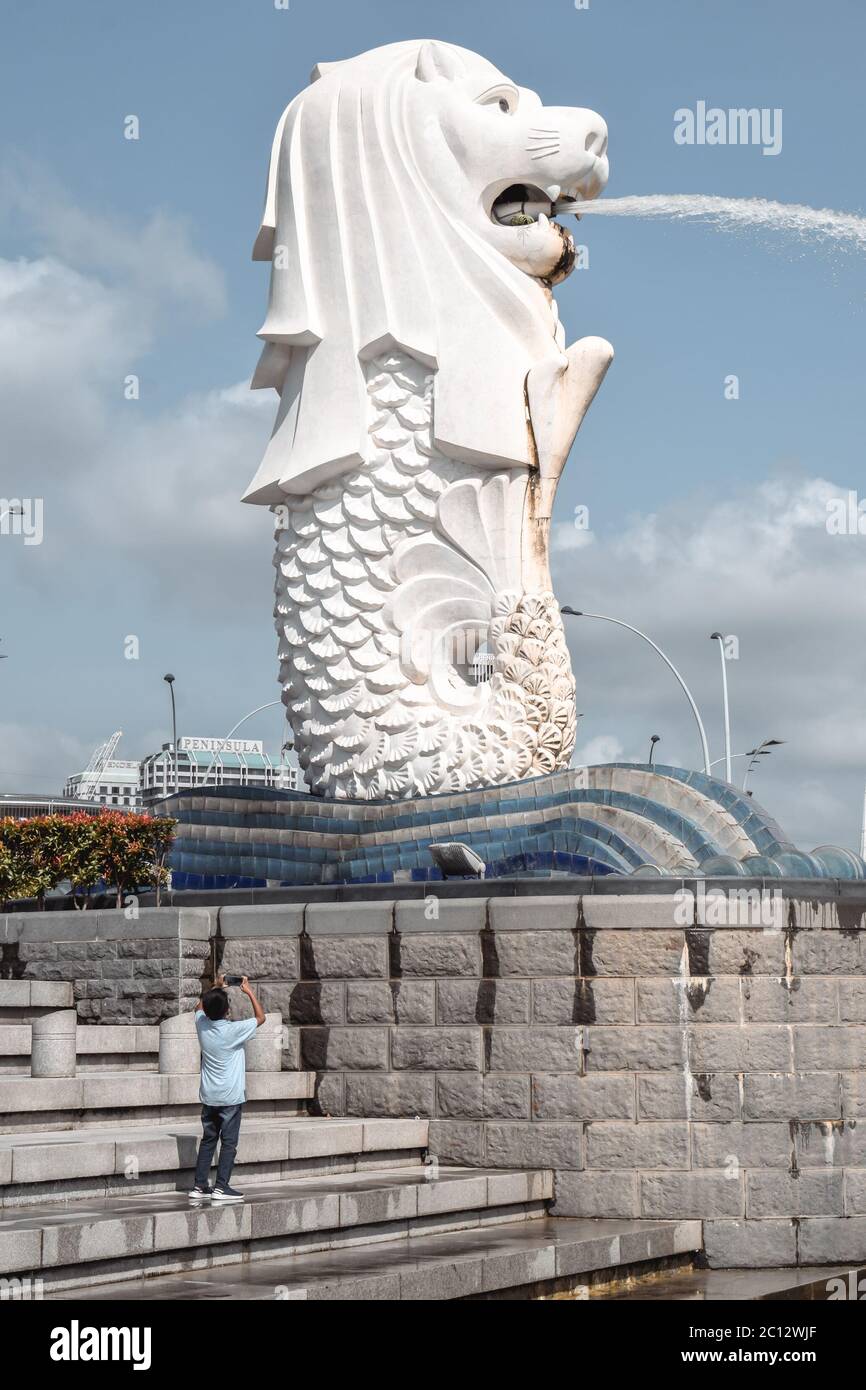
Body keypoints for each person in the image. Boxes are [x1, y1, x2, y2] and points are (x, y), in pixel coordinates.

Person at [189, 973, 266, 1203]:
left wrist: (215, 986)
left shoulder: (201, 1024)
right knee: (229, 1143)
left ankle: (200, 1185)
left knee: (208, 1140)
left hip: (209, 1096)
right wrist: (248, 990)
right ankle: (222, 1187)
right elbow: (261, 1018)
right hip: (230, 1098)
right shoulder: (233, 1030)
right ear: (226, 1011)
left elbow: (198, 1007)